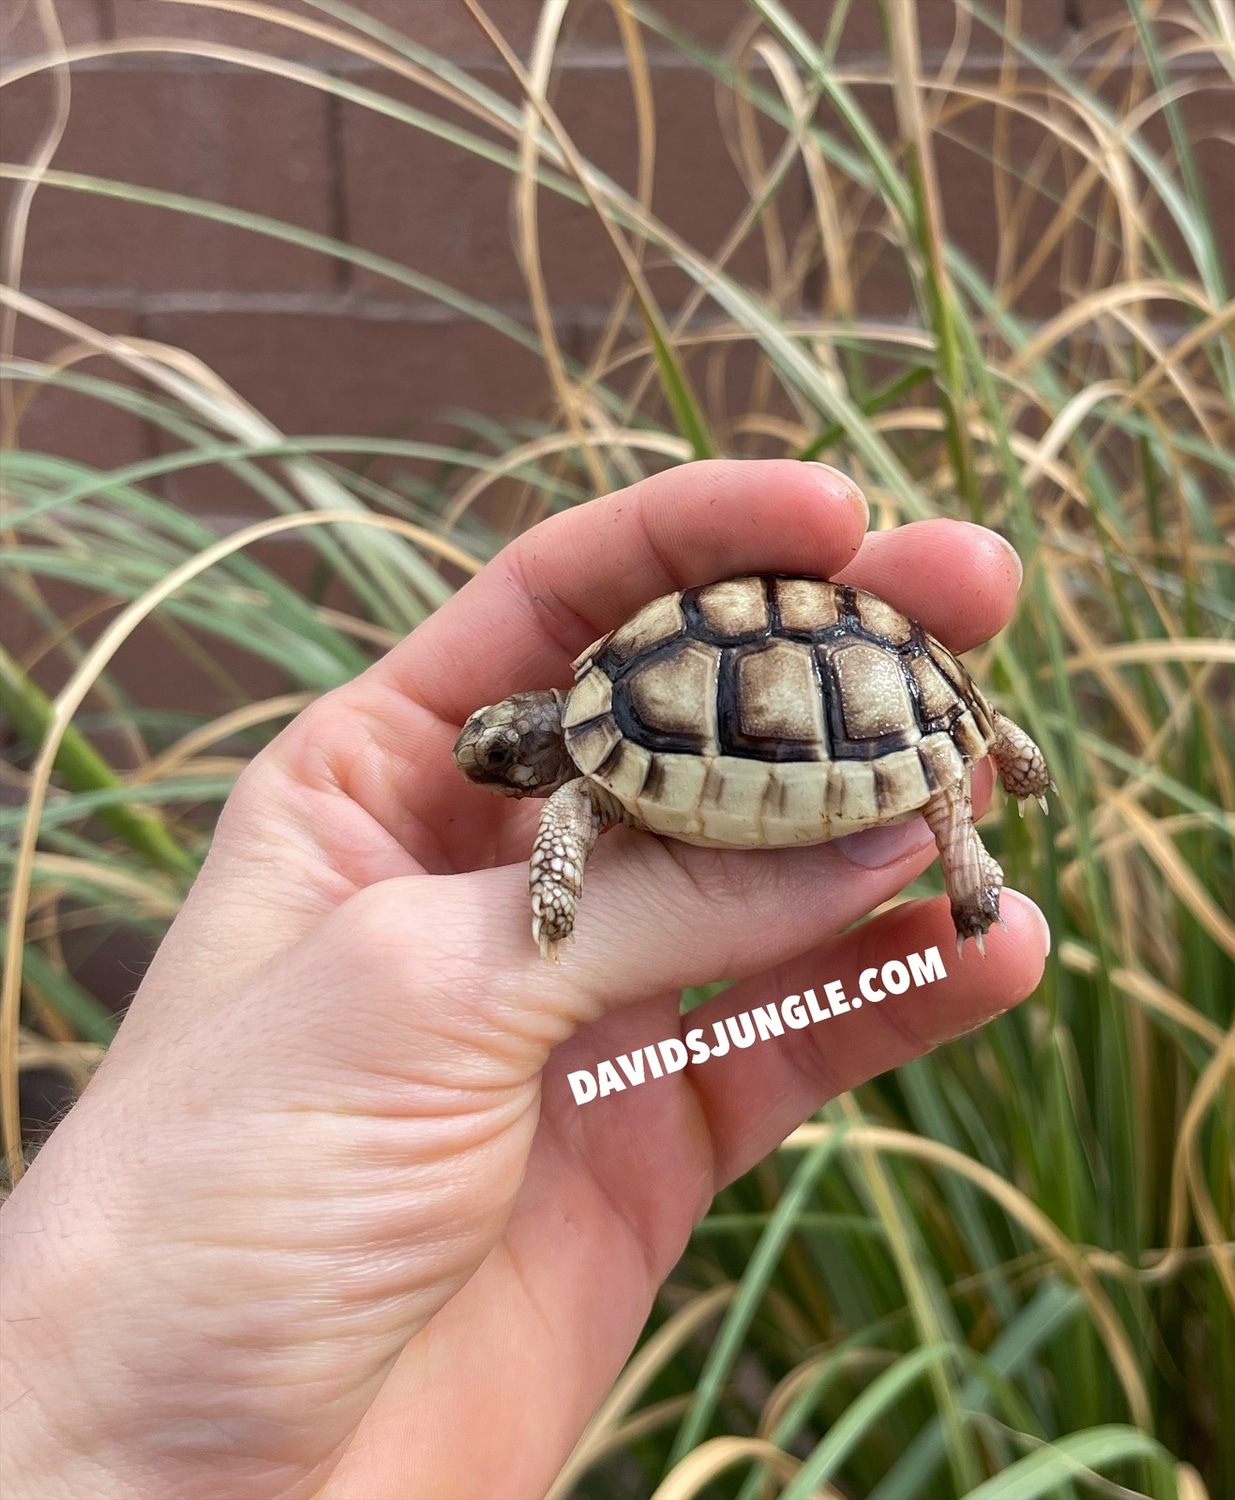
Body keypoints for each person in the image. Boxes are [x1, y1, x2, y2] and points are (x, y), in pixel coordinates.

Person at [1, 461, 1049, 1498]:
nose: (503, 773)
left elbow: (571, 818)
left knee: (954, 777)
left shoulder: (579, 787)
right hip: (868, 714)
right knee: (953, 765)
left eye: (506, 760)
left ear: (540, 744)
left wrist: (76, 1436)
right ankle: (967, 822)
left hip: (852, 711)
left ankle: (967, 846)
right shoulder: (602, 739)